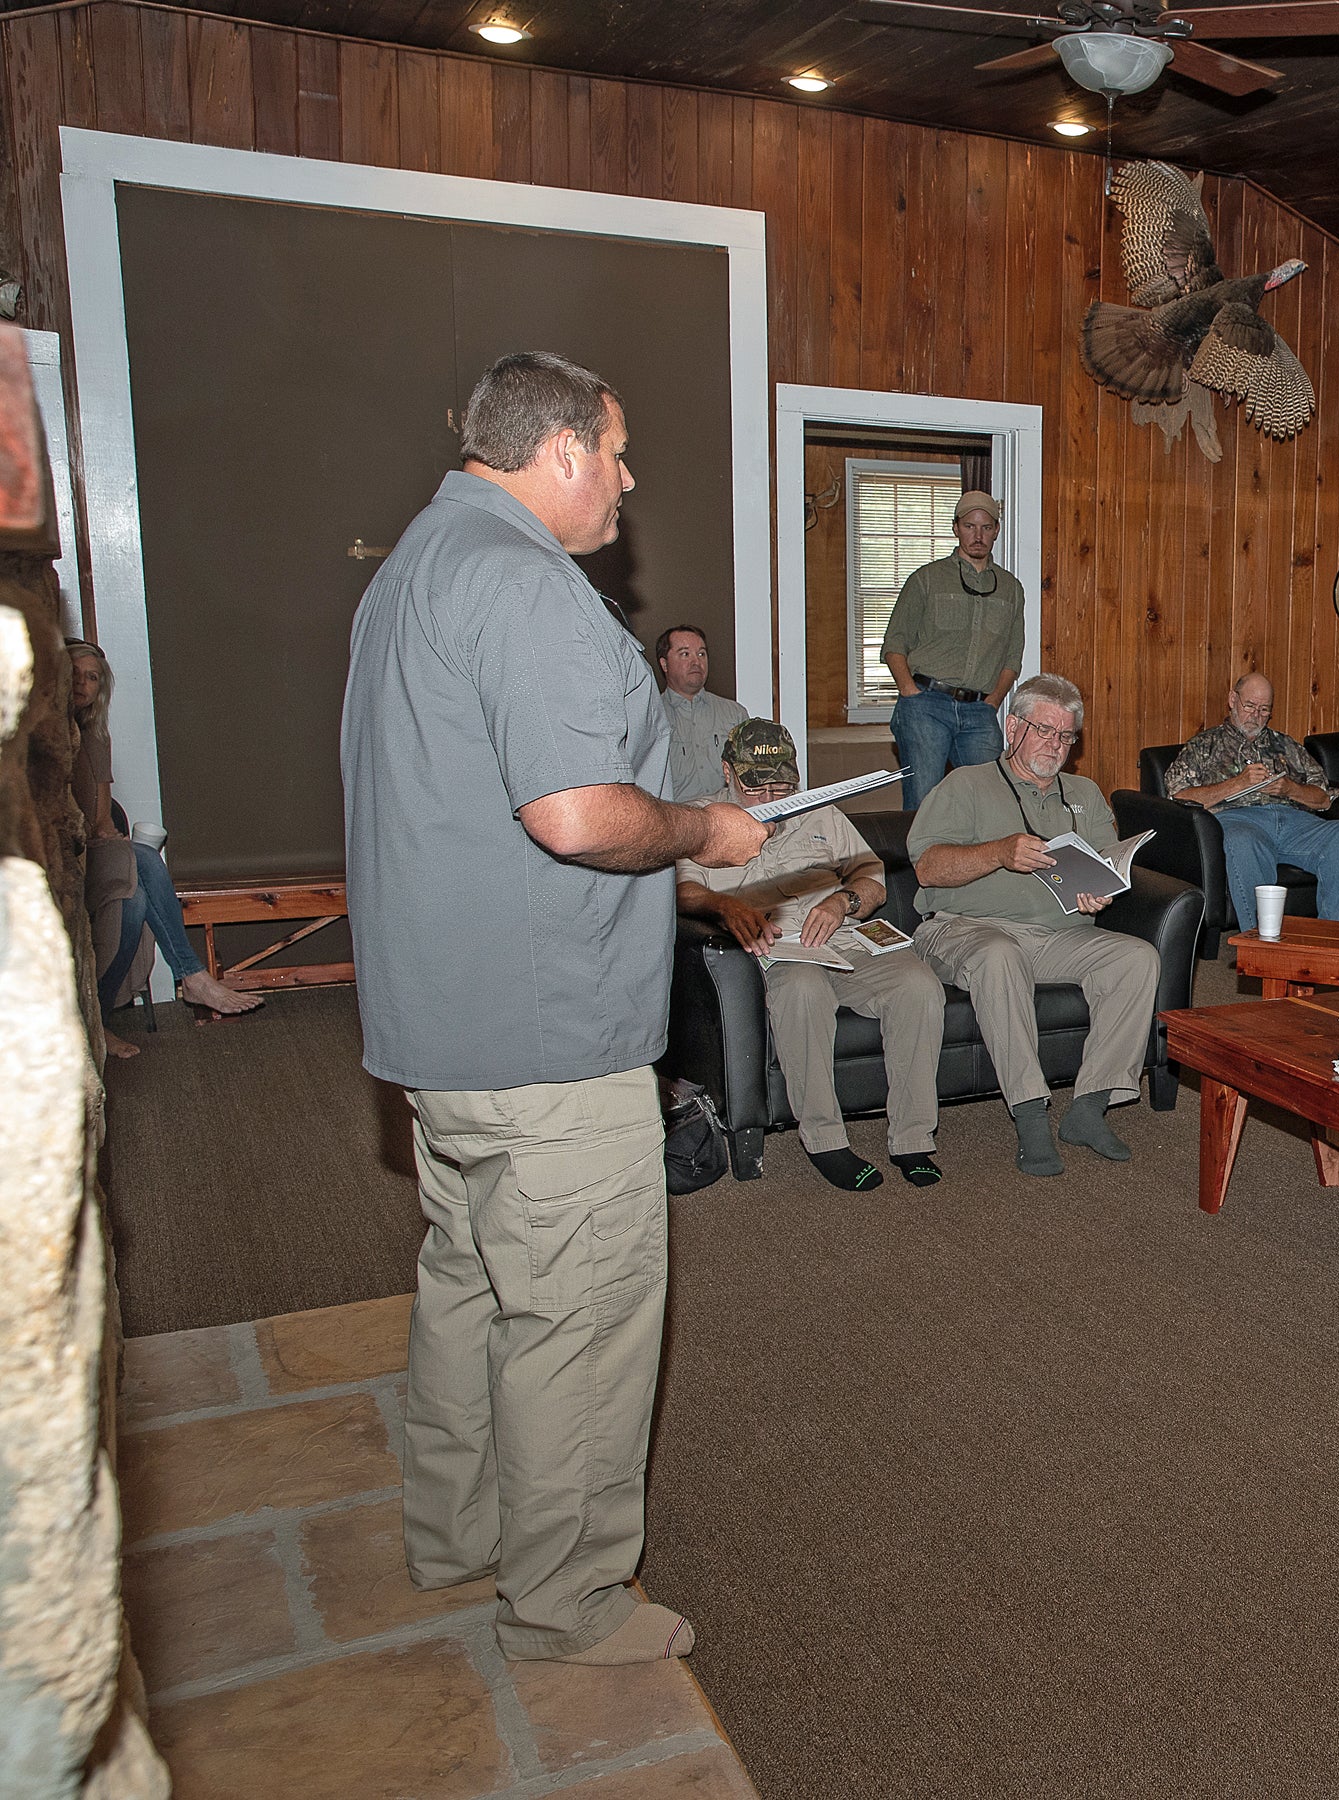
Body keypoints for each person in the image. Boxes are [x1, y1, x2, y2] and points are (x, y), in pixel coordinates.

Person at [341, 351, 769, 1667]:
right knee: (578, 1321)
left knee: (472, 1291)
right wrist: (709, 828)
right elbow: (577, 815)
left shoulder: (414, 564)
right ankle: (568, 1601)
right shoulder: (528, 588)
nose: (631, 482)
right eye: (622, 453)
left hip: (441, 1027)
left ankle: (457, 1532)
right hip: (547, 1041)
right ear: (567, 449)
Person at [907, 673, 1162, 1178]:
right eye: (1044, 730)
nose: (1056, 745)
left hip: (1058, 935)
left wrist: (1101, 892)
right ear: (1013, 727)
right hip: (965, 928)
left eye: (1066, 736)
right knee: (998, 953)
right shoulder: (966, 784)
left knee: (1137, 958)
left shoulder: (1084, 793)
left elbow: (1102, 863)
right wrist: (999, 852)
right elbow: (927, 867)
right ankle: (1030, 1115)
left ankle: (1089, 1108)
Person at [677, 720, 944, 1193]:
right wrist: (725, 905)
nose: (771, 800)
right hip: (773, 948)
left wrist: (844, 901)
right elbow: (683, 892)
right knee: (802, 991)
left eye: (782, 786)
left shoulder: (820, 815)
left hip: (840, 937)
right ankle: (825, 1141)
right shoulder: (699, 821)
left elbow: (872, 878)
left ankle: (912, 1138)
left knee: (917, 985)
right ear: (728, 772)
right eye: (756, 789)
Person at [62, 639, 265, 1040]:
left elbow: (101, 821)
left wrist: (107, 832)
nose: (83, 684)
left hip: (92, 850)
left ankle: (99, 1024)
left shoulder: (95, 736)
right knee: (143, 873)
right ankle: (191, 976)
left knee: (135, 899)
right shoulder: (46, 737)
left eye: (93, 678)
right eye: (75, 675)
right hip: (62, 858)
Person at [1165, 672, 1339, 924]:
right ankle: (1261, 943)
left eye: (1264, 709)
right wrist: (1237, 784)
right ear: (1232, 700)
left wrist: (1290, 789)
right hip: (1238, 820)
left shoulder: (1286, 746)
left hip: (1294, 823)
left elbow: (1323, 798)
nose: (1256, 715)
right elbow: (1177, 795)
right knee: (1244, 840)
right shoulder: (1205, 745)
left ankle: (1337, 940)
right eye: (1249, 706)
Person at [882, 490, 1026, 810]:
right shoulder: (926, 579)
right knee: (923, 803)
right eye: (970, 526)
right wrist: (910, 692)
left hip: (979, 711)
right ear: (956, 527)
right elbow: (894, 643)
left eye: (986, 527)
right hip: (926, 705)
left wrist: (992, 703)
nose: (978, 535)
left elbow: (1012, 656)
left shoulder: (1011, 589)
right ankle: (917, 862)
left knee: (993, 802)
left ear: (996, 531)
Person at [653, 623, 748, 804]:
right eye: (685, 654)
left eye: (701, 654)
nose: (696, 661)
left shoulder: (734, 713)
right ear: (664, 664)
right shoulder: (652, 716)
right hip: (677, 823)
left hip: (728, 820)